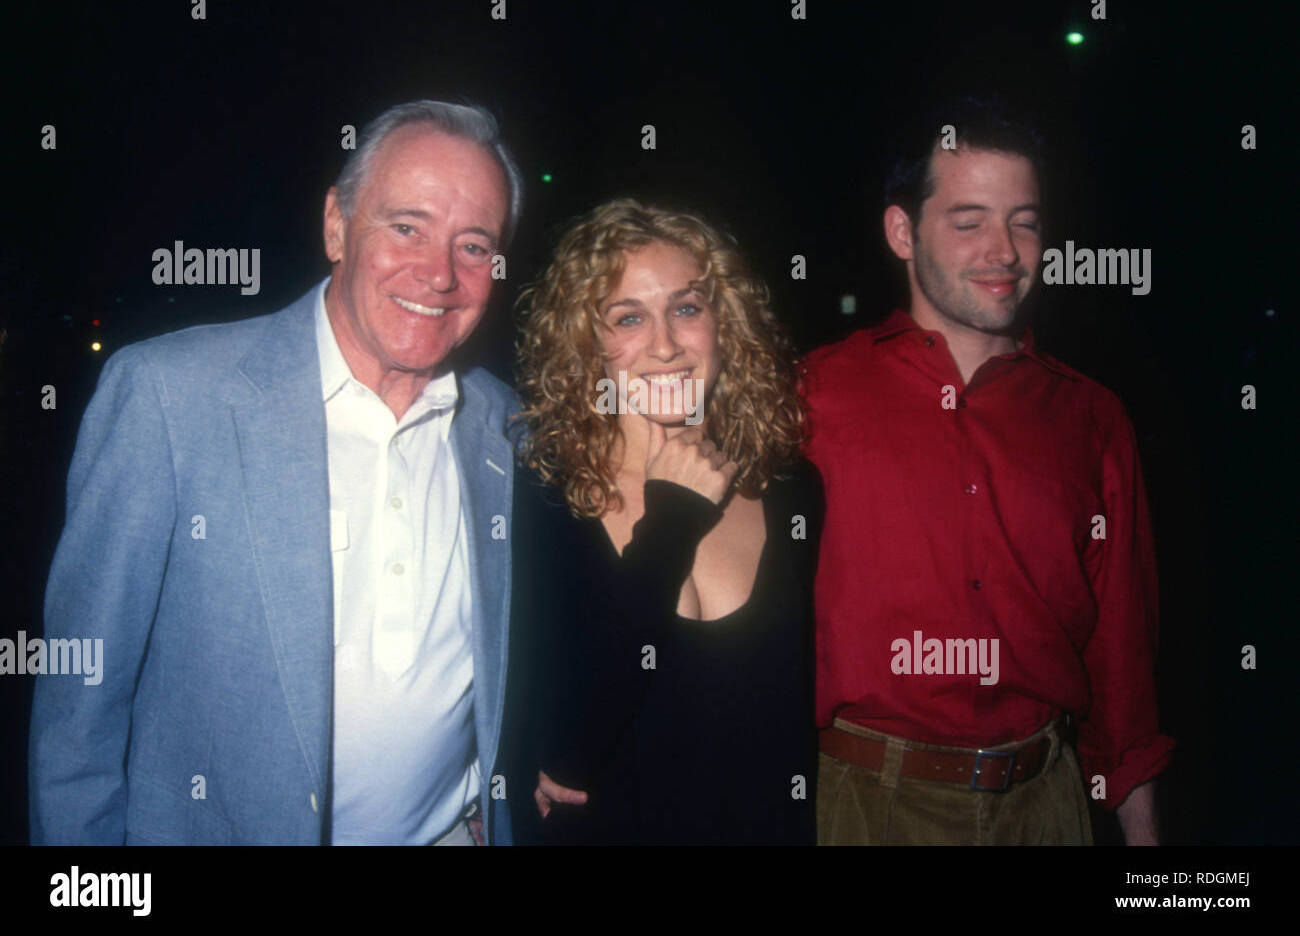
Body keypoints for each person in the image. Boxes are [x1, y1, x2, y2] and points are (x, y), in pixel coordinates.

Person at [29, 100, 523, 845]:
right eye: (406, 227)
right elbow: (78, 710)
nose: (439, 274)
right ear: (336, 224)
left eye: (474, 245)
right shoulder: (170, 397)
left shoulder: (505, 427)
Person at [804, 95, 1174, 845]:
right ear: (902, 232)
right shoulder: (809, 396)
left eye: (1026, 221)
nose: (1005, 251)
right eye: (969, 222)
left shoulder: (1093, 417)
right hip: (866, 807)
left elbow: (1123, 658)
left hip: (1048, 802)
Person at [503, 198, 822, 844]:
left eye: (686, 308)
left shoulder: (791, 490)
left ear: (723, 323)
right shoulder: (540, 504)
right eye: (628, 317)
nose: (667, 344)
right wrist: (672, 521)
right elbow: (566, 750)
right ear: (587, 343)